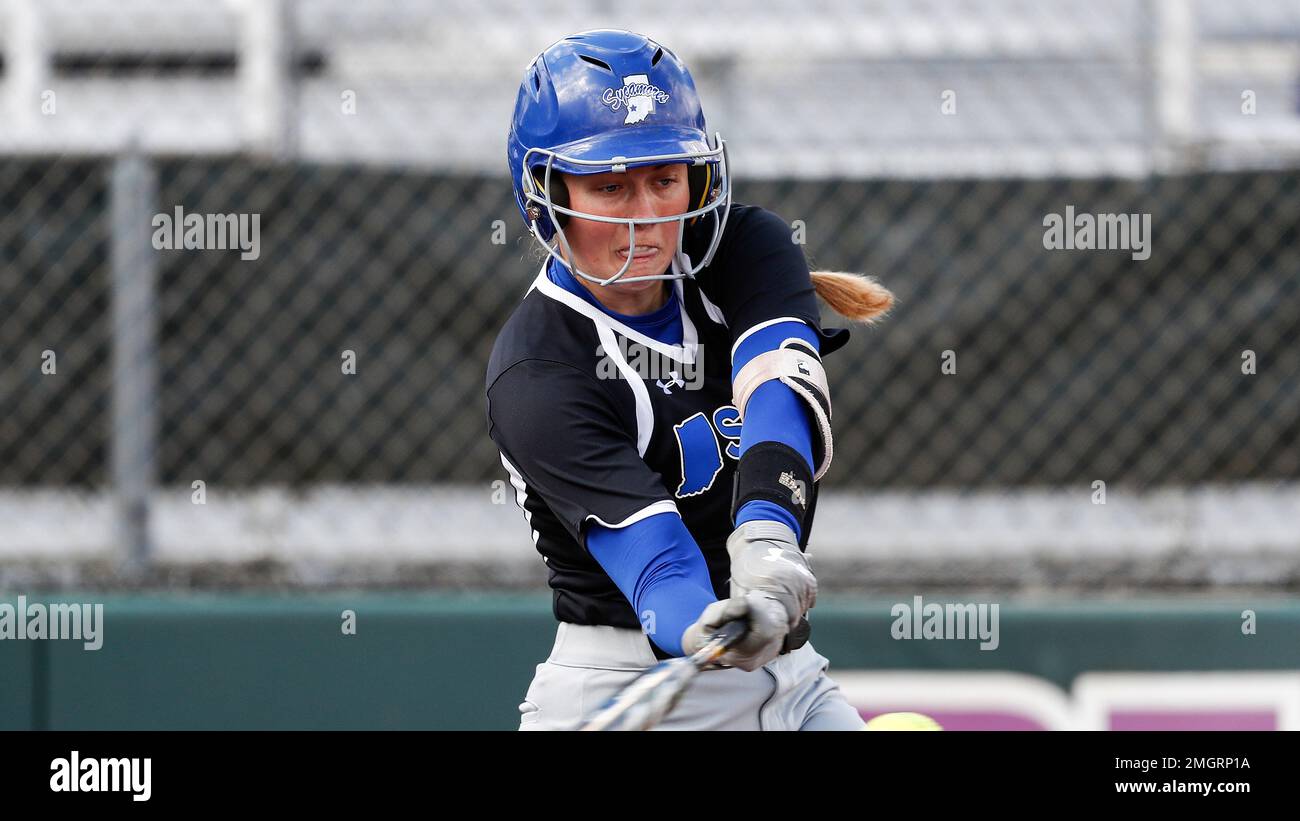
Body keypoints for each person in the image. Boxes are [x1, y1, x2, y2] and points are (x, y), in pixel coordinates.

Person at [487, 29, 892, 730]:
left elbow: (777, 398)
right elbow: (660, 570)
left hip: (793, 679)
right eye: (610, 186)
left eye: (664, 178)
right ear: (545, 198)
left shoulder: (745, 250)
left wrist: (767, 550)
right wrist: (715, 626)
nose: (646, 215)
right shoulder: (538, 369)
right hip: (638, 680)